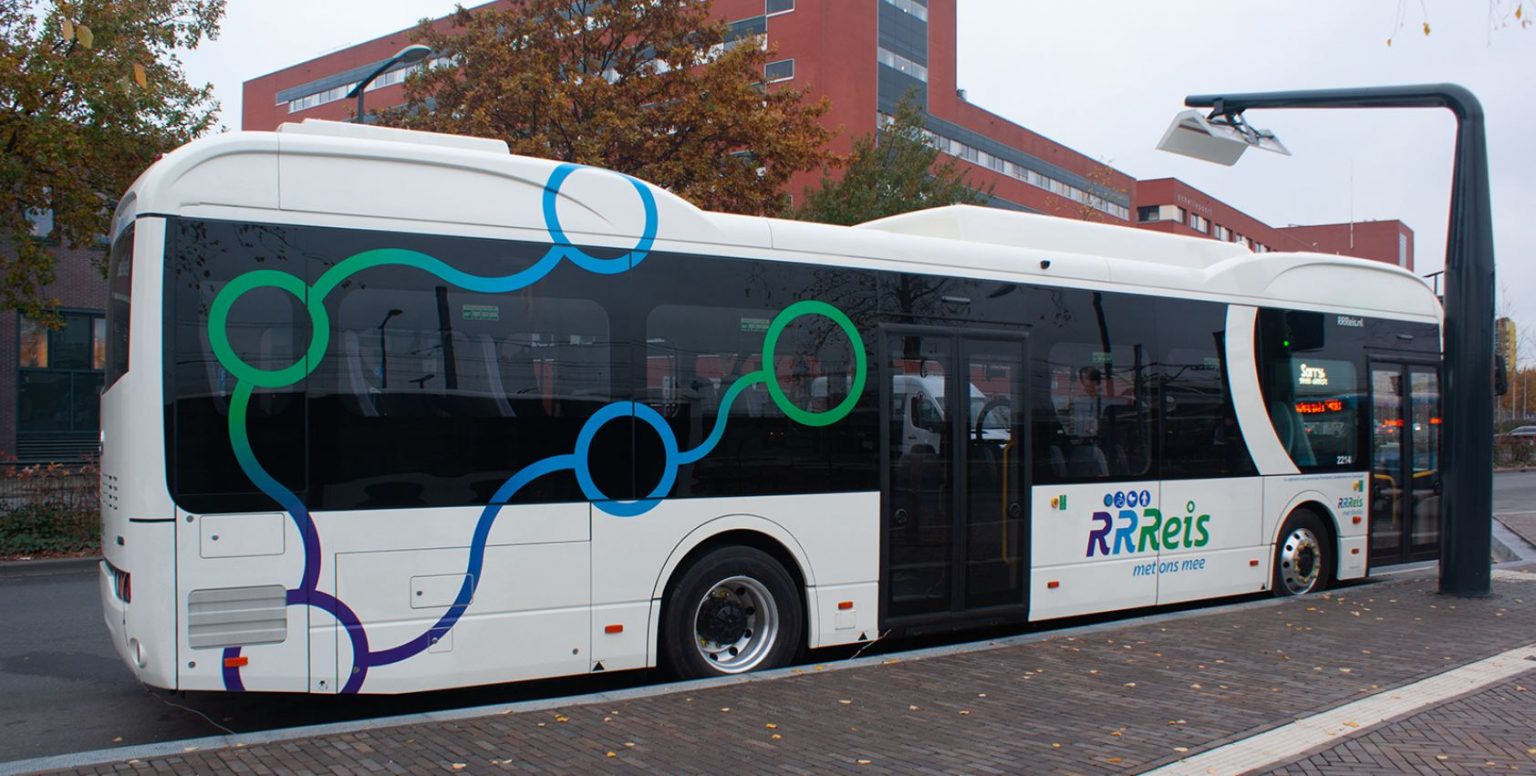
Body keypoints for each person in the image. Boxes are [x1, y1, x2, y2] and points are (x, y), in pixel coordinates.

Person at [1070, 366, 1102, 438]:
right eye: (1081, 380)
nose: (1082, 383)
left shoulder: (1103, 402)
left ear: (1096, 382)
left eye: (1086, 378)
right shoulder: (1078, 401)